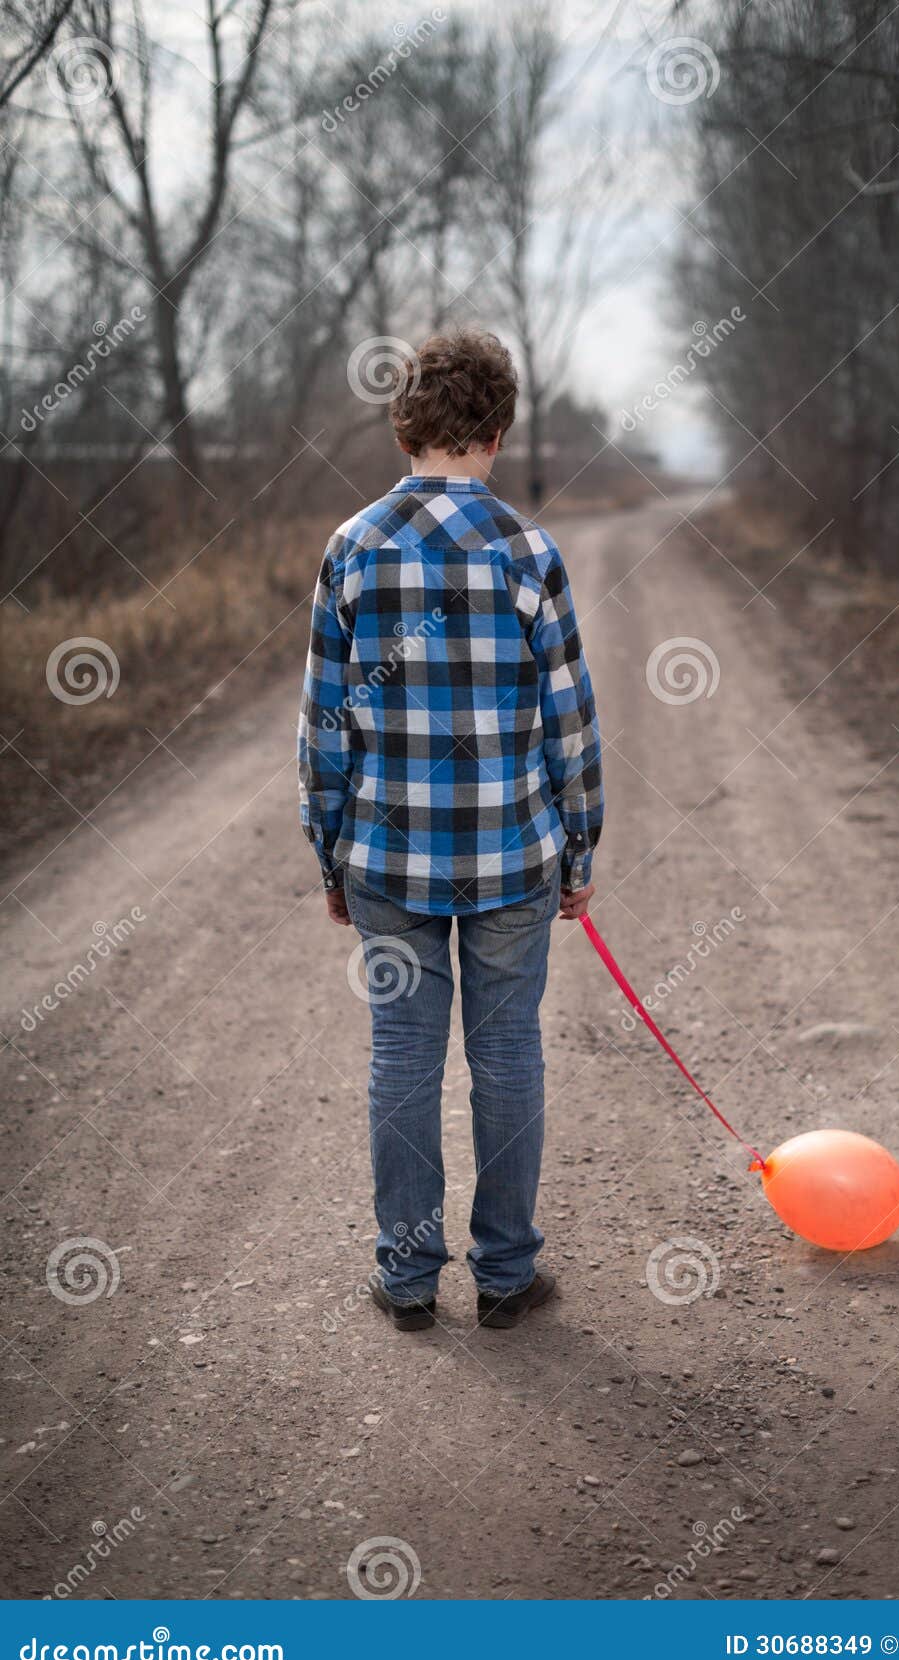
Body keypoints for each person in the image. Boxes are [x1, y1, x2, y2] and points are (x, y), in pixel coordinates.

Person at [298, 329, 604, 1332]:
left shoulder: (351, 547)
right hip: (513, 853)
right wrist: (578, 847)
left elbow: (322, 725)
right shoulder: (528, 550)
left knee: (402, 1053)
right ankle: (507, 1277)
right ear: (499, 430)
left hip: (388, 853)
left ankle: (408, 1275)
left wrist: (331, 848)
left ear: (407, 419)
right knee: (507, 1049)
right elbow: (569, 718)